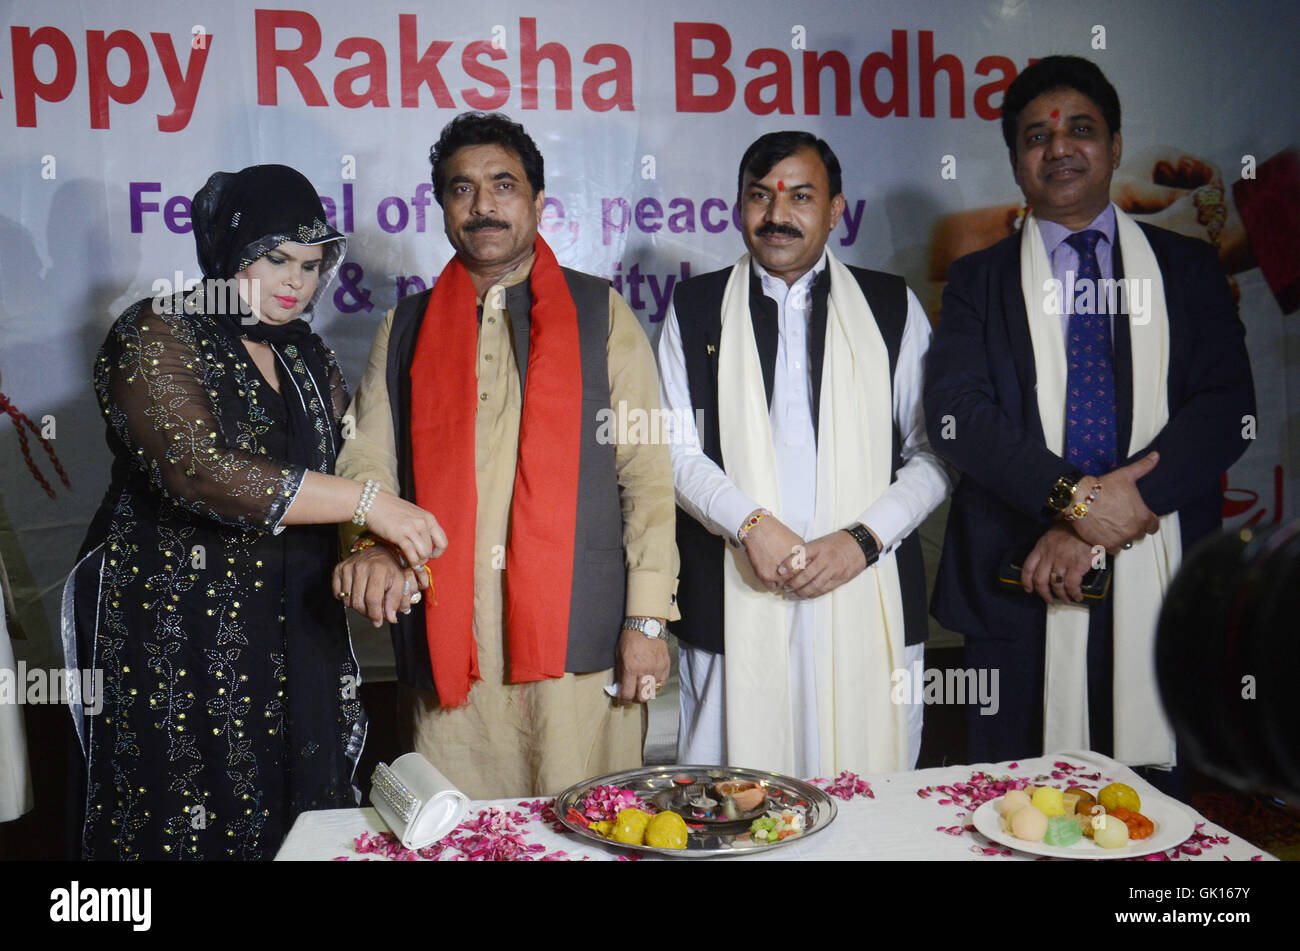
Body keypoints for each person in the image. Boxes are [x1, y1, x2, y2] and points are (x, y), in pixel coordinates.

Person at [65, 164, 445, 860]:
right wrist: (373, 506)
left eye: (309, 263)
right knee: (184, 812)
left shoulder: (305, 352)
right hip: (175, 630)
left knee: (300, 805)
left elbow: (340, 466)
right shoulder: (157, 330)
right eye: (275, 259)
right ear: (229, 251)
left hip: (293, 617)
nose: (295, 281)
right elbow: (201, 471)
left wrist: (372, 546)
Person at [924, 56, 1255, 771]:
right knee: (1008, 809)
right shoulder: (980, 281)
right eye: (1038, 138)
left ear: (1115, 145)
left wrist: (1112, 511)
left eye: (1082, 129)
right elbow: (958, 412)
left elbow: (1226, 407)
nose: (1061, 148)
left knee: (1155, 811)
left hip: (1160, 570)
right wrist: (1072, 499)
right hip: (1018, 578)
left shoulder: (1187, 269)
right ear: (1016, 160)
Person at [333, 112, 677, 800]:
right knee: (462, 829)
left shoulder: (599, 312)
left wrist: (646, 619)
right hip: (452, 636)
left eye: (502, 185)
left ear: (539, 202)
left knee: (589, 821)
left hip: (580, 643)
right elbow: (367, 458)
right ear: (442, 207)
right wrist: (370, 542)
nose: (482, 205)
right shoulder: (405, 328)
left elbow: (646, 475)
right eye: (461, 189)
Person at [658, 131, 950, 777]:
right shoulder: (696, 306)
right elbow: (674, 449)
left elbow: (933, 452)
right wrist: (750, 525)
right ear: (739, 207)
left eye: (800, 196)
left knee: (869, 810)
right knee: (727, 800)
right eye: (759, 196)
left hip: (866, 590)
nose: (777, 214)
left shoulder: (890, 305)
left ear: (836, 209)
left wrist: (862, 541)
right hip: (734, 587)